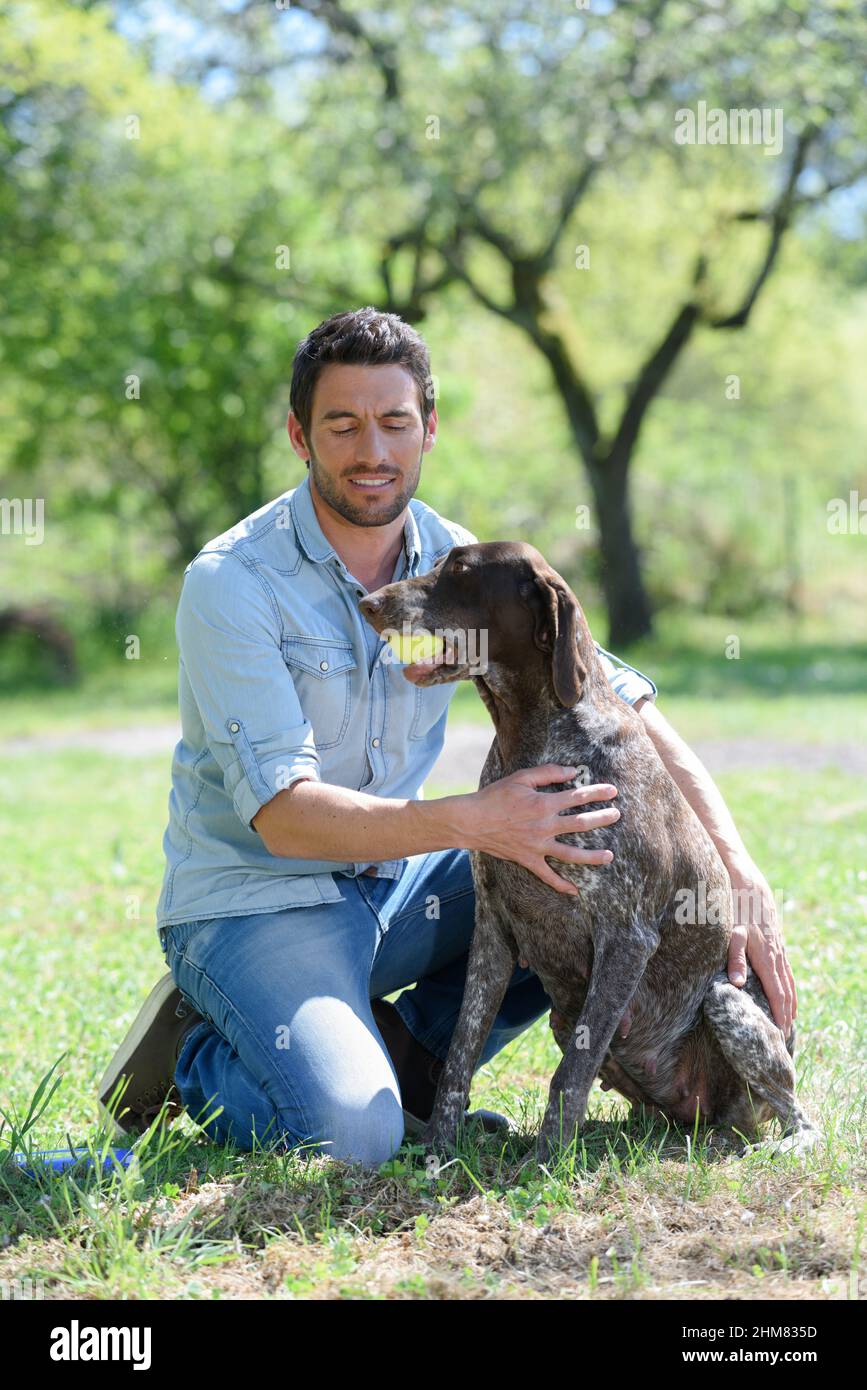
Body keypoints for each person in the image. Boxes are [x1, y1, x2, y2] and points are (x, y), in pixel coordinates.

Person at [98, 306, 796, 1167]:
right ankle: (202, 1057)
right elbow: (283, 817)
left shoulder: (456, 562)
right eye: (342, 425)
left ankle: (408, 1058)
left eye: (394, 422)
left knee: (581, 867)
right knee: (354, 1138)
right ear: (297, 434)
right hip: (259, 900)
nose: (372, 452)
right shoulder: (232, 584)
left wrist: (737, 869)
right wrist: (476, 819)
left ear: (427, 427)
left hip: (396, 882)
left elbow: (621, 701)